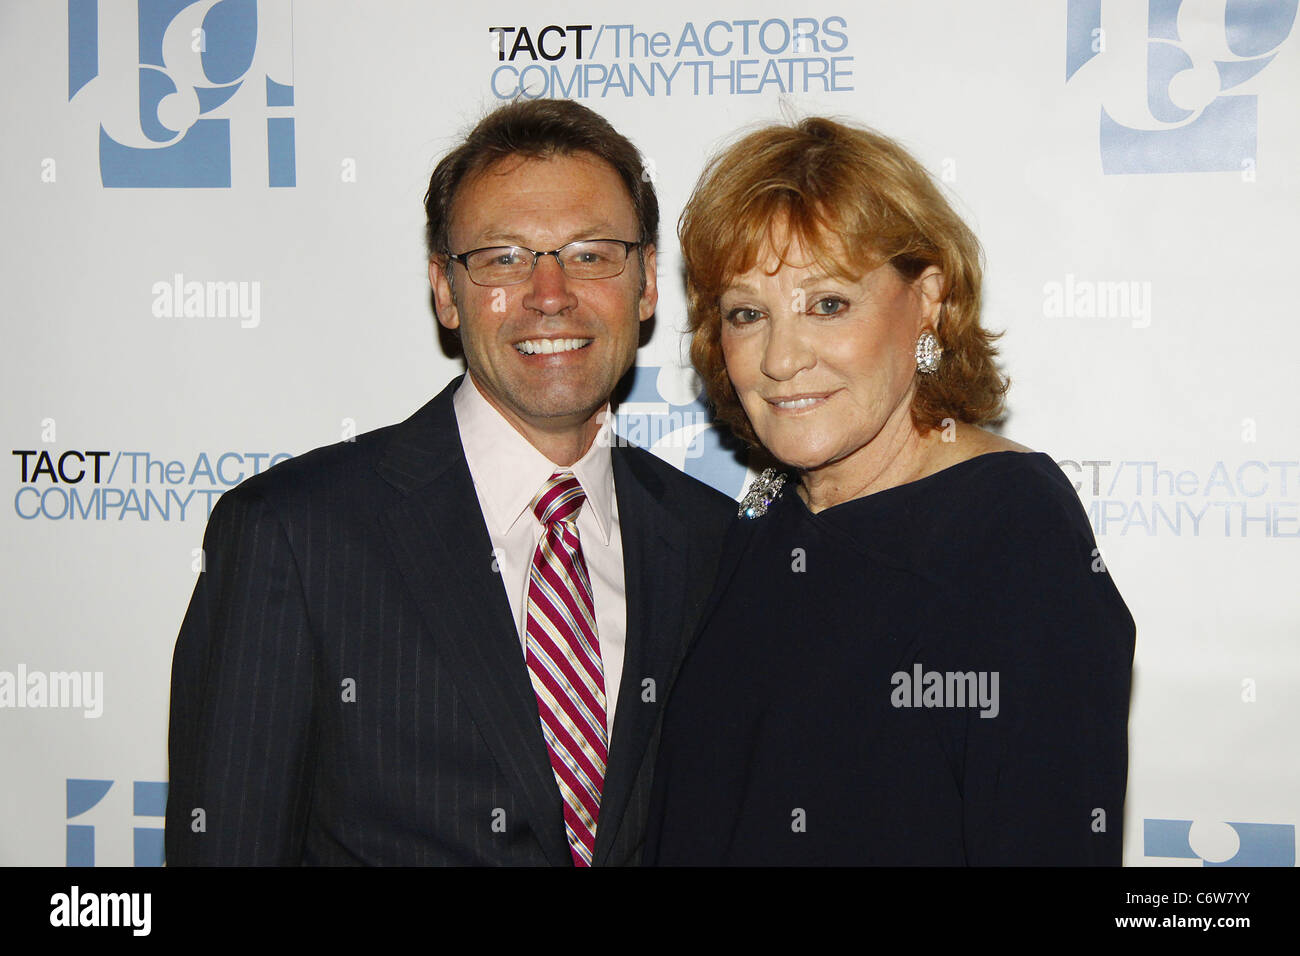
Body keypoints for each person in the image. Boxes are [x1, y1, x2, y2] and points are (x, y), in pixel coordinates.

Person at [165, 99, 734, 866]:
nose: (550, 292)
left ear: (646, 284)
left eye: (592, 253)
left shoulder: (713, 540)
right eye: (503, 257)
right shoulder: (293, 536)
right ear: (444, 289)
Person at [644, 117, 1135, 865]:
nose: (781, 358)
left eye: (828, 304)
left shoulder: (1012, 532)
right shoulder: (763, 516)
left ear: (929, 299)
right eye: (748, 314)